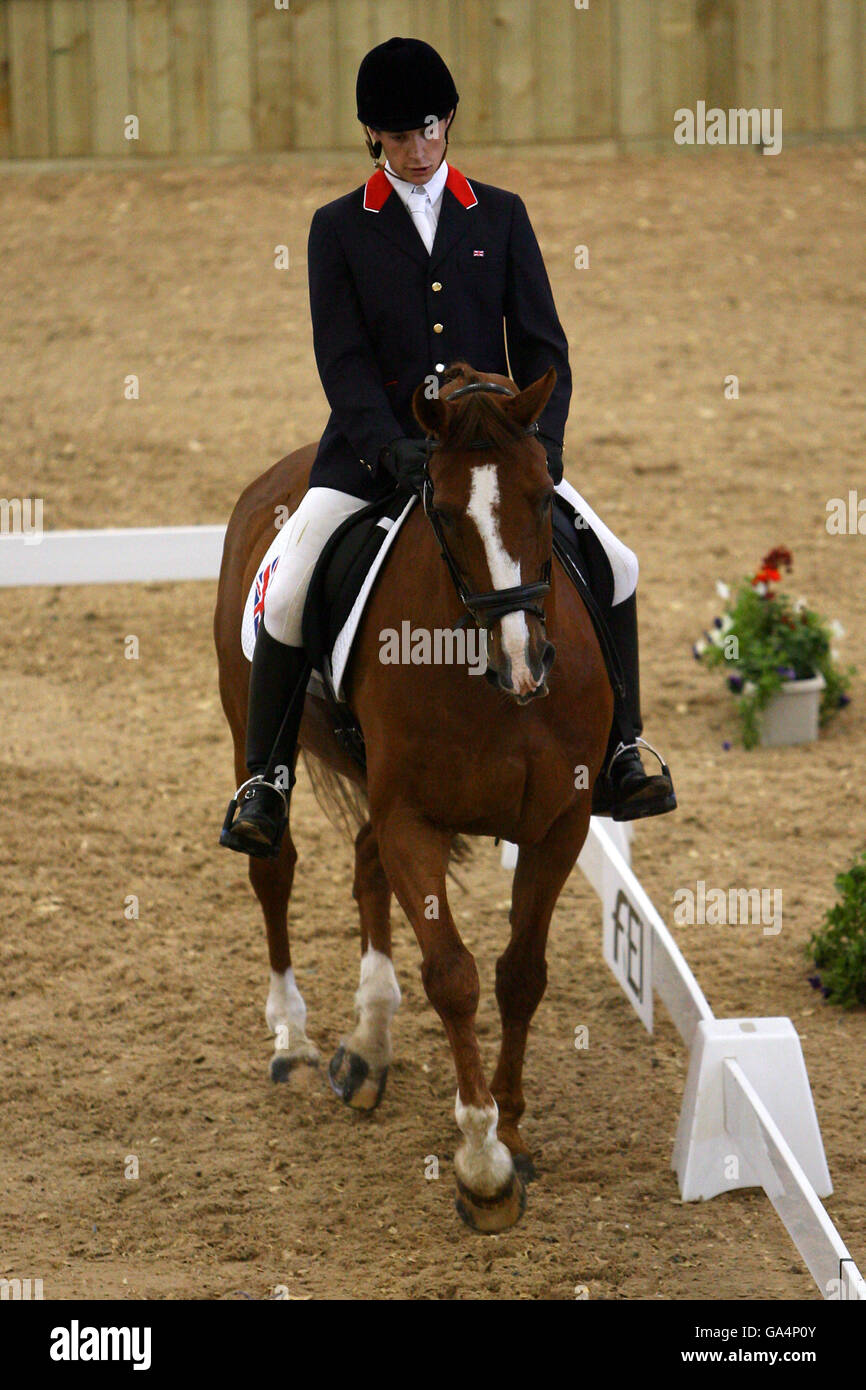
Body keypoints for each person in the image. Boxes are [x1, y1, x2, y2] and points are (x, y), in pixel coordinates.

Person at [220, 36, 675, 859]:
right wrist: (390, 447)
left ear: (450, 120)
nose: (420, 151)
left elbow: (544, 349)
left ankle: (623, 749)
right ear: (373, 139)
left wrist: (545, 442)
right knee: (285, 594)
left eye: (430, 131)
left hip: (495, 456)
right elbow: (343, 361)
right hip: (372, 456)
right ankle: (266, 780)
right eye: (400, 138)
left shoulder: (499, 214)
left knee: (618, 560)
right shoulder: (337, 230)